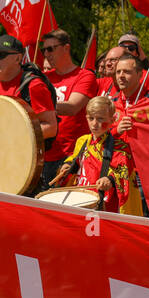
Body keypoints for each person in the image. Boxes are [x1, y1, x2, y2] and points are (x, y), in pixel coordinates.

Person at [52, 96, 141, 214]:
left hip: (105, 203)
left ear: (112, 120)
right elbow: (75, 158)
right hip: (82, 195)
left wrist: (110, 179)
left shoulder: (120, 146)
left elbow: (124, 170)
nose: (94, 123)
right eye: (91, 118)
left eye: (100, 119)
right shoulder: (82, 140)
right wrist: (68, 165)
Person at [40, 29, 98, 190]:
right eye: (43, 50)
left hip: (70, 156)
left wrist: (38, 107)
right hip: (41, 154)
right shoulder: (43, 78)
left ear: (66, 48)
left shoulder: (85, 76)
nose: (46, 54)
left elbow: (73, 107)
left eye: (51, 49)